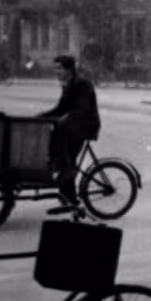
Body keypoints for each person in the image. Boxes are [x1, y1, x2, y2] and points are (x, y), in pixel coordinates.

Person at [36, 55, 102, 212]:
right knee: (62, 154)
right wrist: (43, 117)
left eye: (59, 68)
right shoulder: (68, 84)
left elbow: (80, 109)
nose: (56, 72)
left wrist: (61, 121)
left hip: (85, 126)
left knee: (67, 158)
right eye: (55, 68)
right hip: (74, 125)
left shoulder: (82, 84)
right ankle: (67, 196)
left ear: (69, 69)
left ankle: (70, 198)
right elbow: (61, 108)